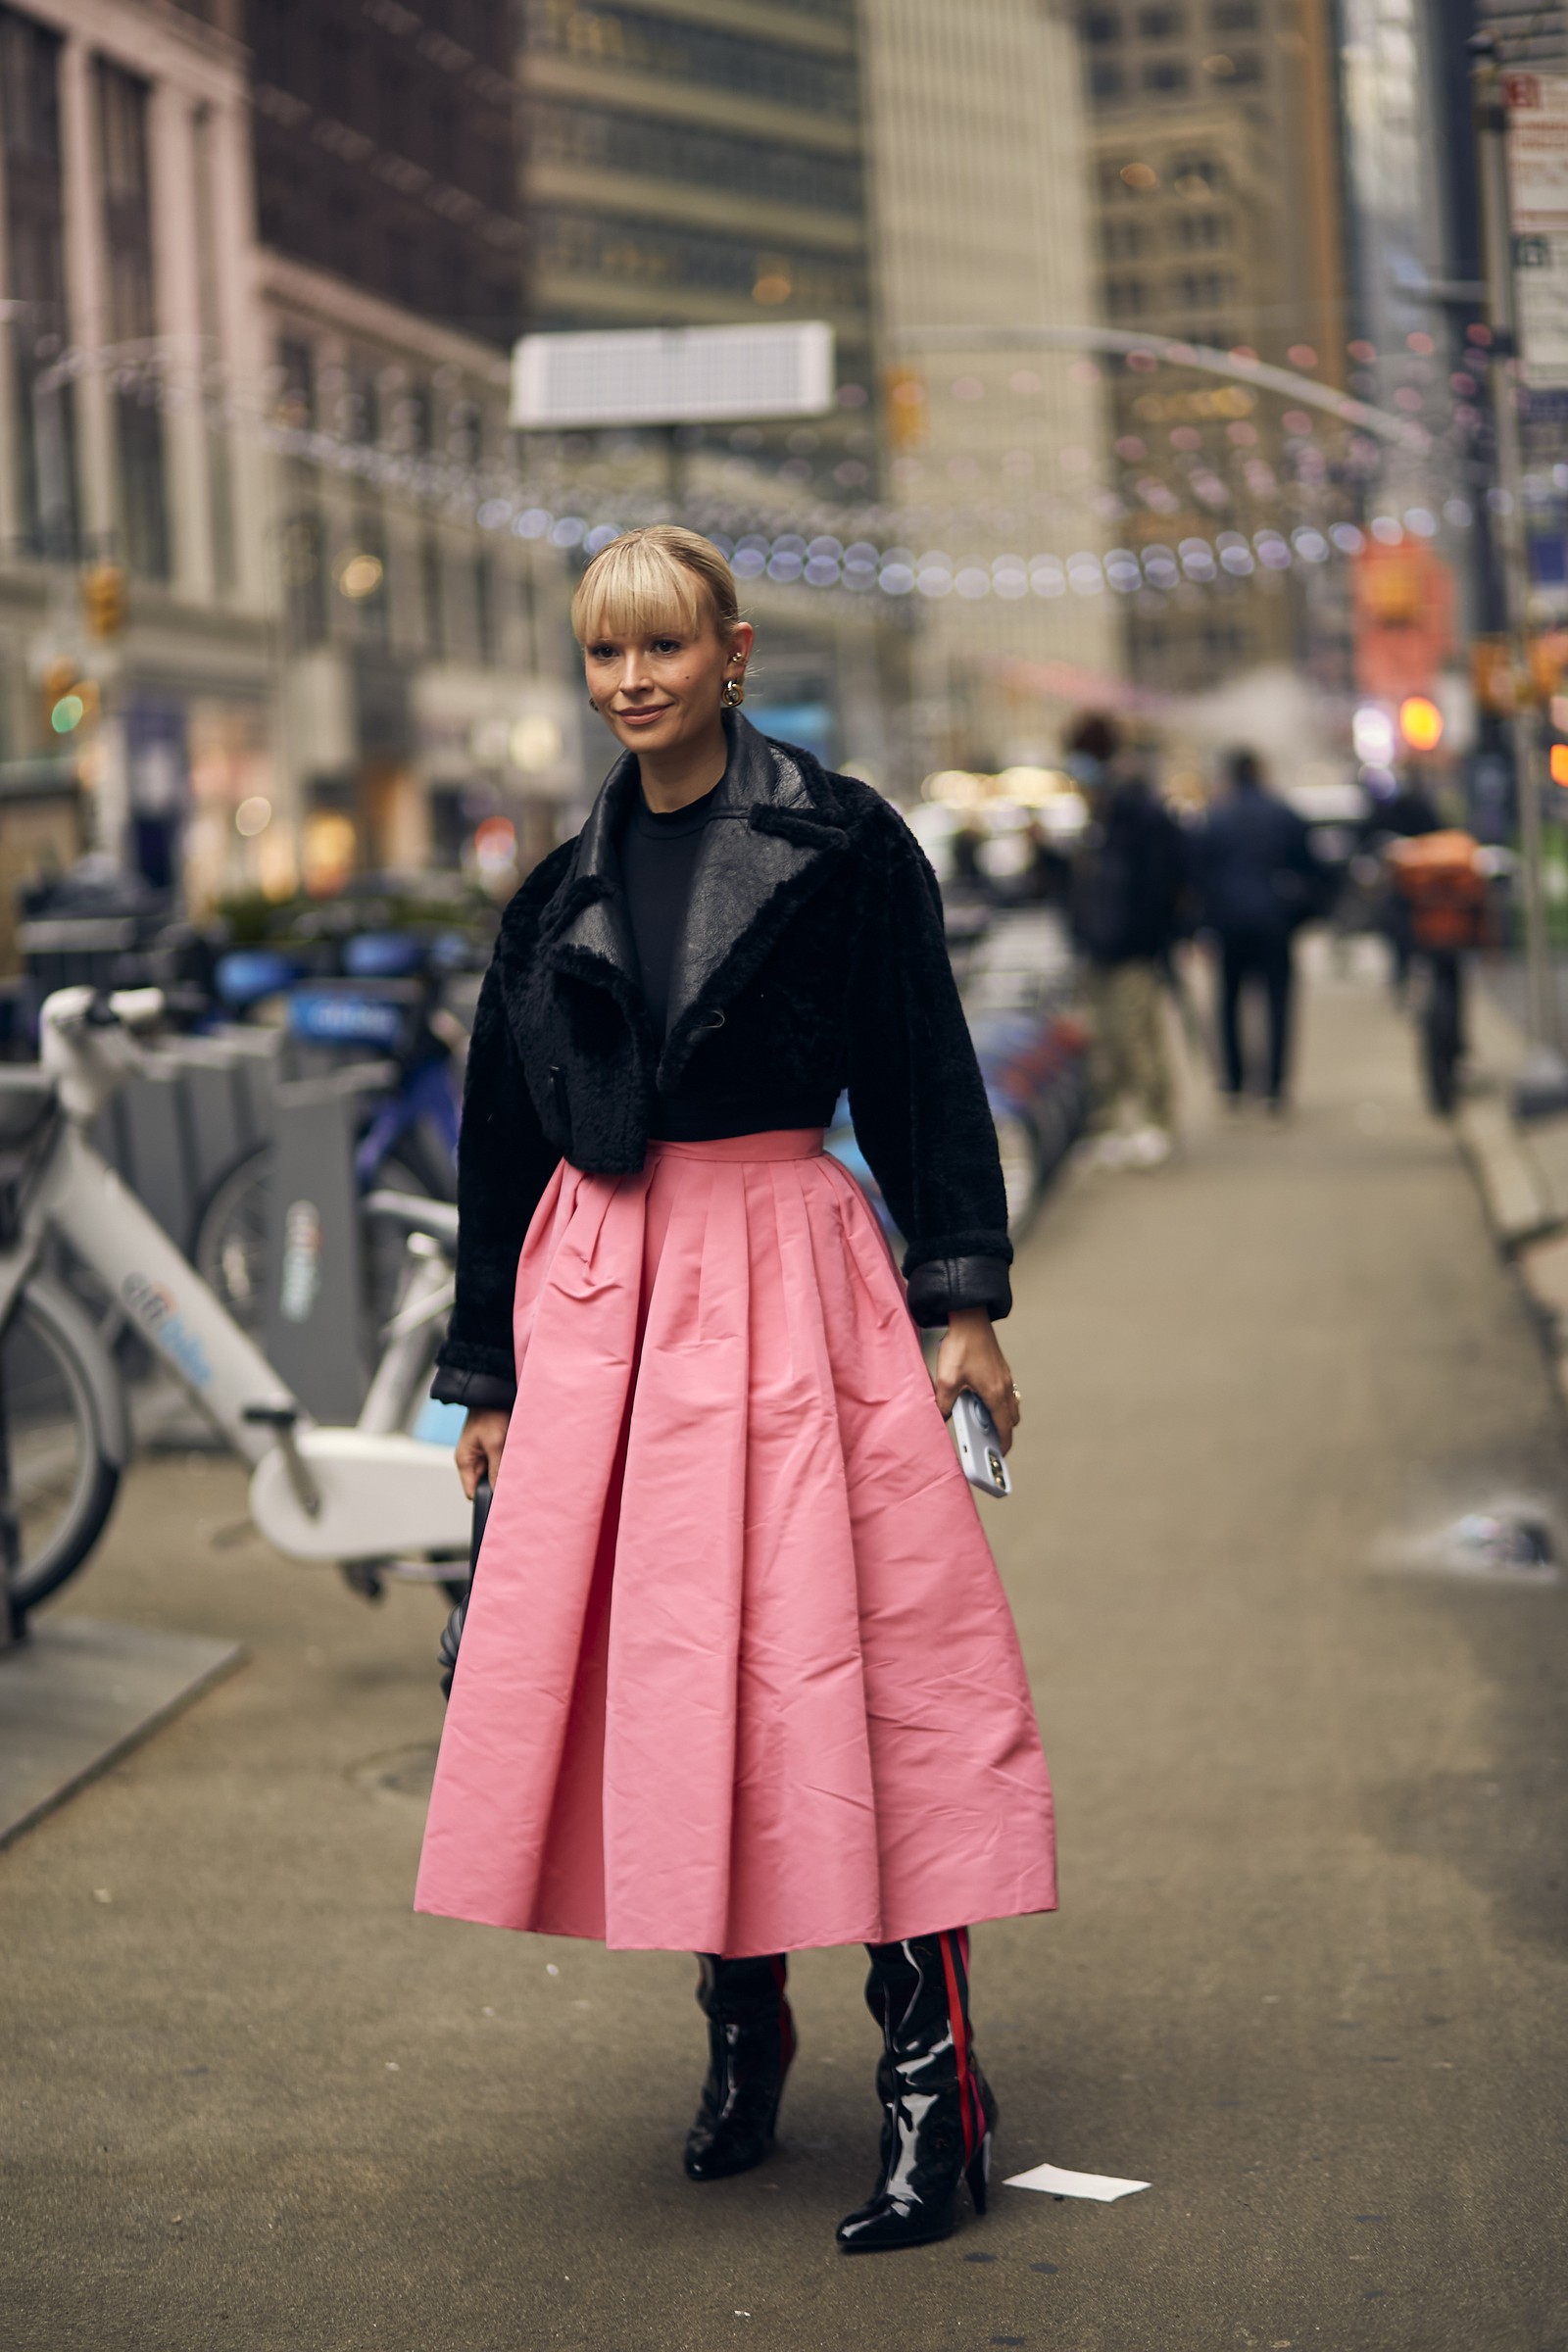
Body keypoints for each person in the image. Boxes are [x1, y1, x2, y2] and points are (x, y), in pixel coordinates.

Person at [416, 525, 1055, 2254]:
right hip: (608, 1301)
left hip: (794, 1281)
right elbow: (496, 1143)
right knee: (687, 1680)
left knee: (867, 1672)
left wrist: (965, 1298)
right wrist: (482, 1377)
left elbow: (924, 1066)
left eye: (663, 649)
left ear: (733, 651)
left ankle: (934, 2091)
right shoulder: (553, 893)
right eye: (606, 655)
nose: (633, 682)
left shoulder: (842, 845)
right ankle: (741, 2032)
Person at [1066, 713, 1189, 1169]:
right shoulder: (1101, 810)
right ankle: (1118, 1123)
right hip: (1100, 945)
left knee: (1138, 1036)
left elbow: (1162, 879)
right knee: (1105, 1041)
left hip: (1131, 947)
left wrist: (1149, 932)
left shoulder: (1134, 809)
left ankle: (1156, 1122)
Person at [1193, 748, 1322, 1111]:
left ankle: (1234, 1084)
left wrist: (1202, 926)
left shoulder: (1216, 817)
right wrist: (1301, 914)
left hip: (1228, 924)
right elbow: (1312, 869)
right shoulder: (1282, 814)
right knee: (1278, 1003)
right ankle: (1275, 1087)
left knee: (1228, 1003)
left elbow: (1199, 876)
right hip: (1274, 922)